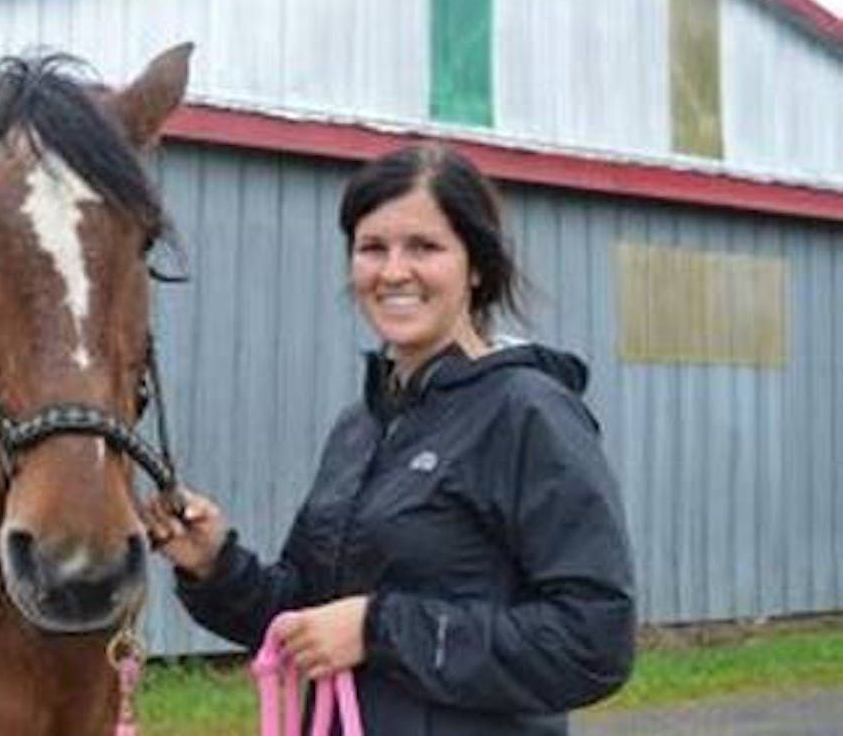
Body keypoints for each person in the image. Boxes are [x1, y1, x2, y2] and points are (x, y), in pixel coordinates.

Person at [144, 144, 635, 735]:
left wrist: (379, 630)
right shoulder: (360, 426)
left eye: (424, 247)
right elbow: (309, 619)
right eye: (373, 248)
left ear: (476, 267)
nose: (394, 271)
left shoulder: (529, 413)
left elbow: (592, 639)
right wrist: (215, 565)